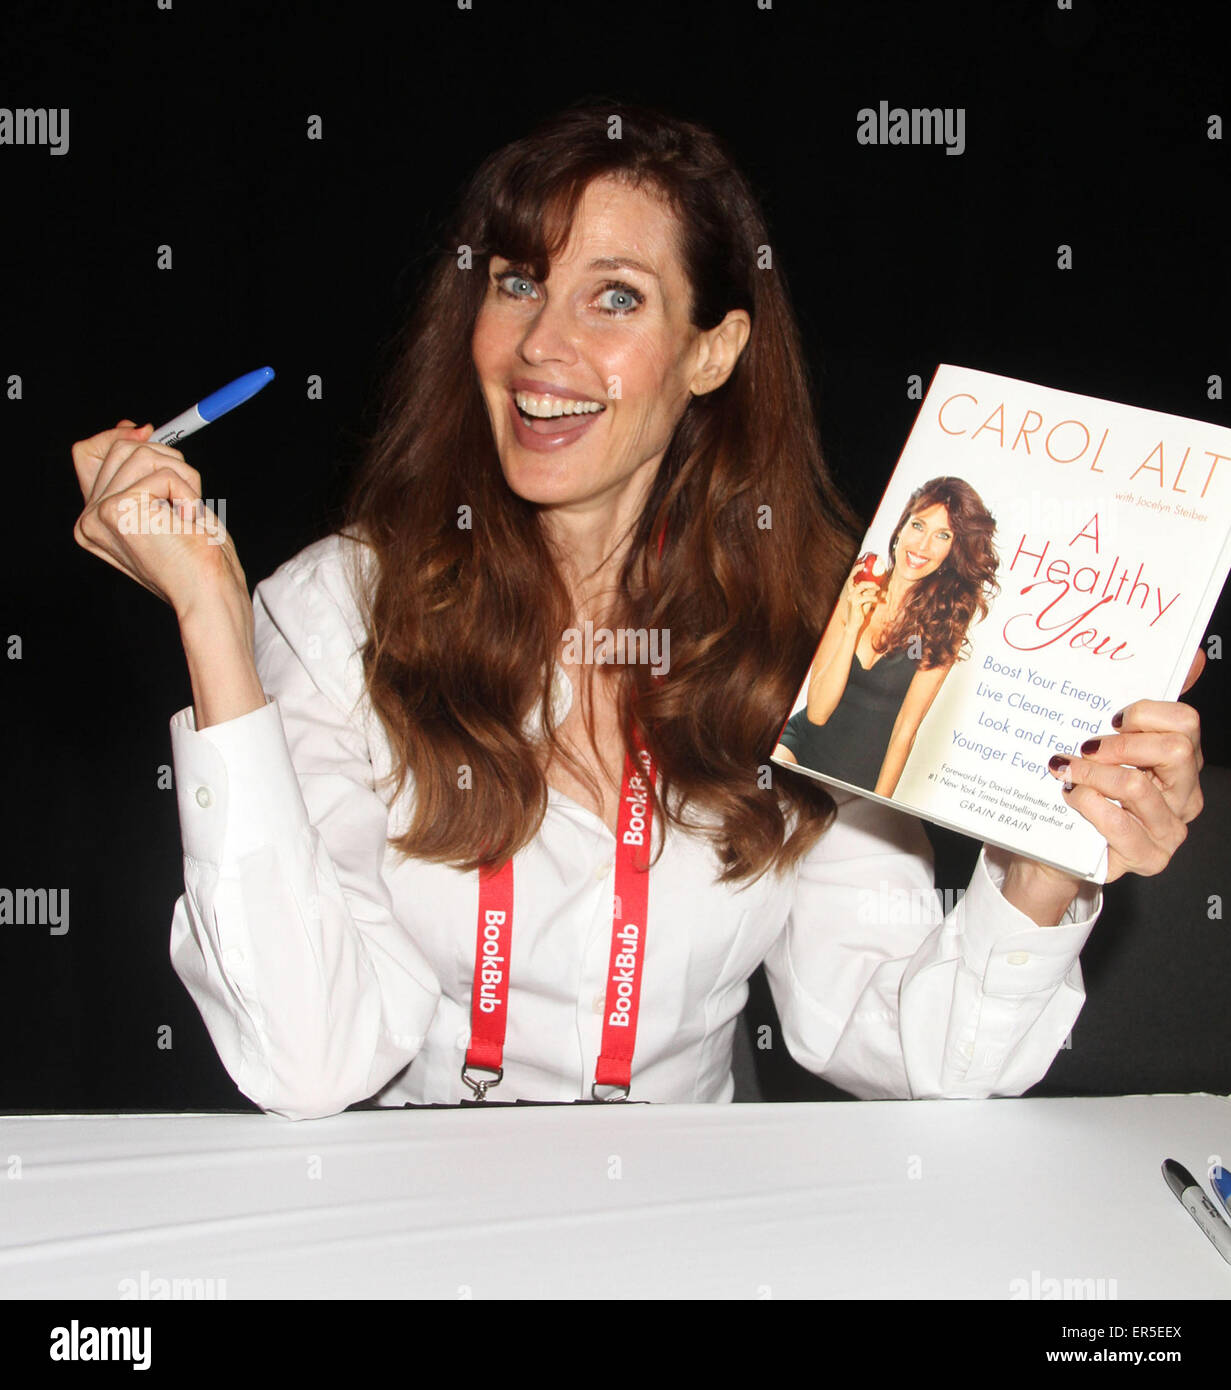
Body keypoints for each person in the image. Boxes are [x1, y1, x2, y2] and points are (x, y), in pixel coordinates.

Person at [70, 102, 1206, 1120]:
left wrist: (1047, 857)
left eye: (614, 296)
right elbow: (308, 1058)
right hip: (412, 1228)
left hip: (685, 1235)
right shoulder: (338, 610)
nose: (538, 345)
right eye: (517, 281)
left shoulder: (809, 635)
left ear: (710, 352)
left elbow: (912, 1050)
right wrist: (213, 622)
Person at [775, 476, 999, 797]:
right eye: (918, 525)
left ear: (953, 550)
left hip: (857, 776)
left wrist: (876, 804)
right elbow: (817, 712)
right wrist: (853, 624)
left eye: (942, 535)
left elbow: (905, 732)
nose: (922, 546)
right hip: (802, 744)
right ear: (901, 527)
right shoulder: (856, 586)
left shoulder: (944, 626)